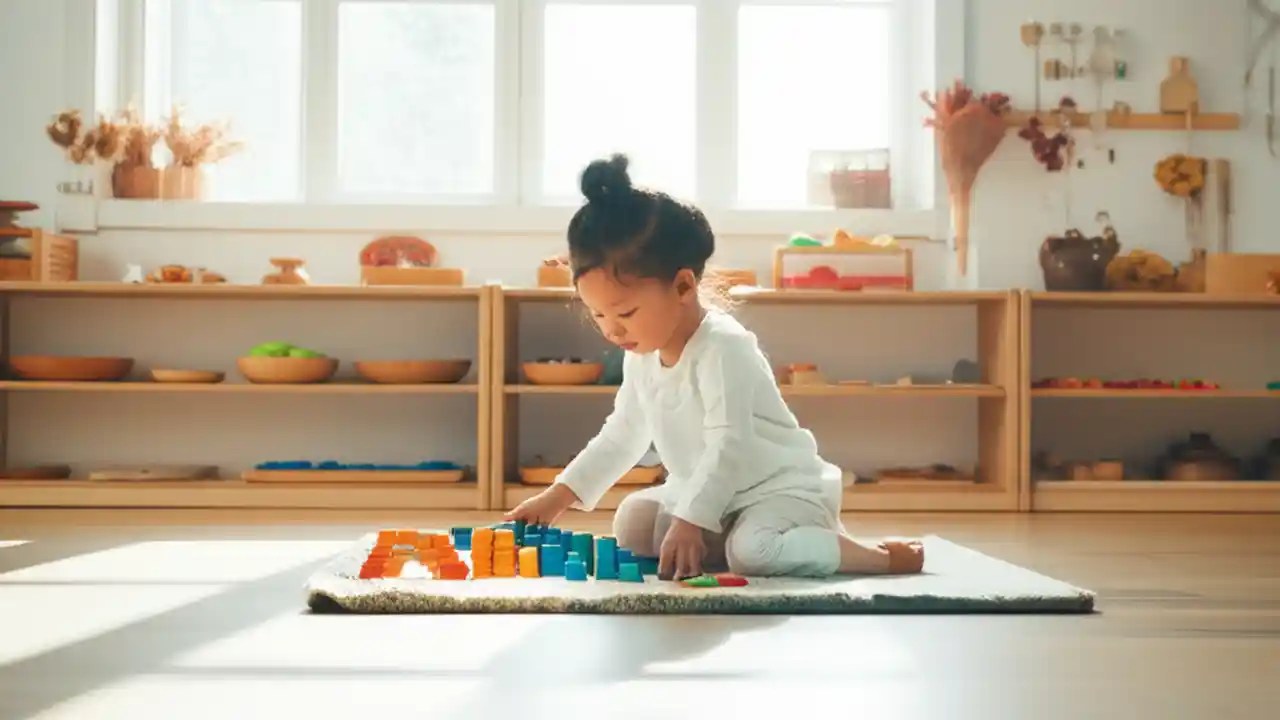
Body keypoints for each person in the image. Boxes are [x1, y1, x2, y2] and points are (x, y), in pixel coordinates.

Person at [506, 154, 924, 581]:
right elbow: (622, 436)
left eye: (625, 313)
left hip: (776, 489)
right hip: (715, 494)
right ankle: (722, 538)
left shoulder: (725, 347)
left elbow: (730, 446)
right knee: (631, 525)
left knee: (754, 553)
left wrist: (690, 521)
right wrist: (558, 497)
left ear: (684, 286)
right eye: (598, 315)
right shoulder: (641, 353)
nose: (612, 331)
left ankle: (876, 556)